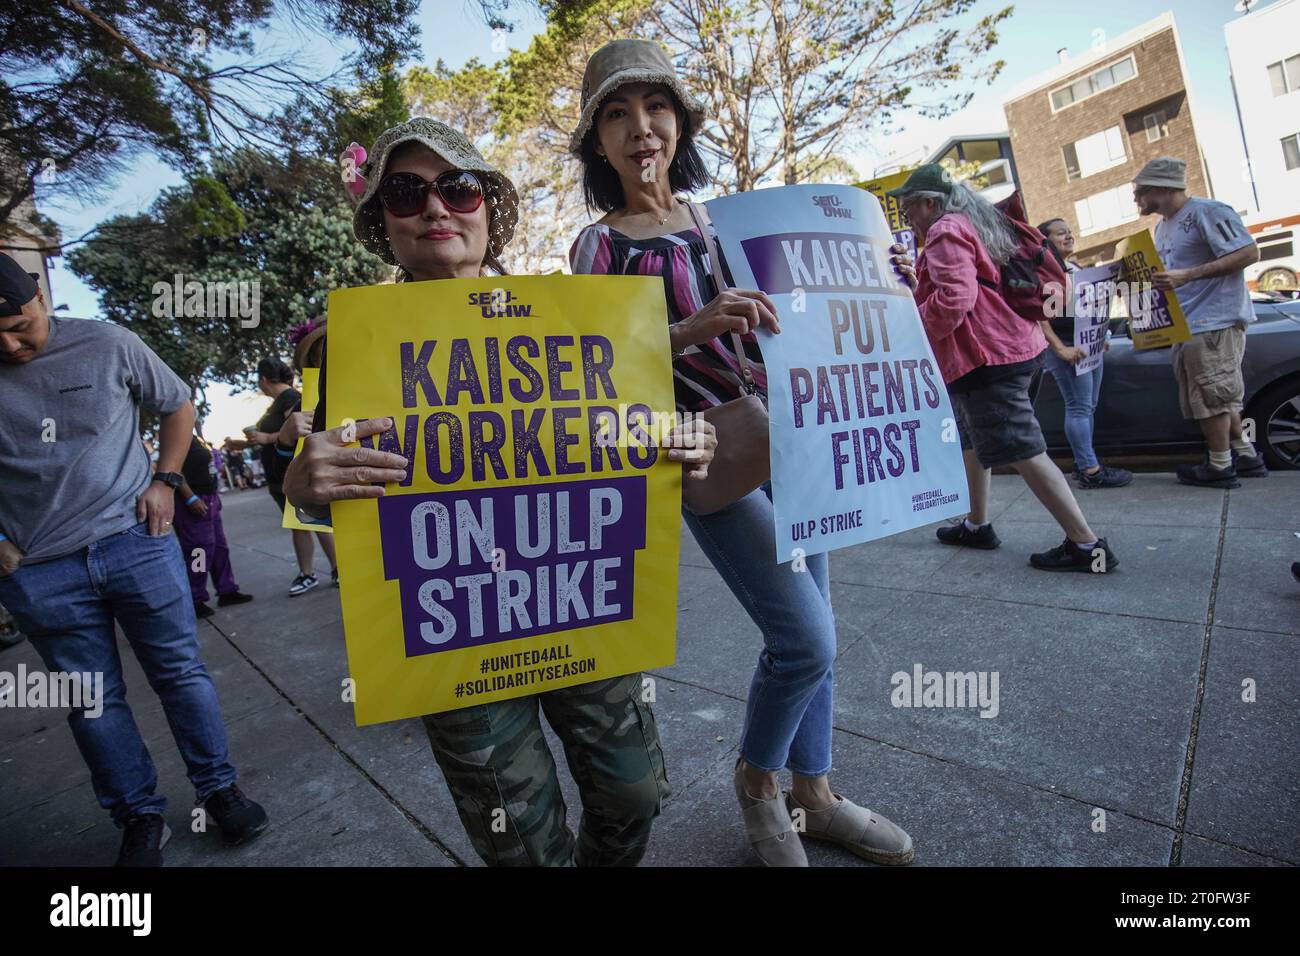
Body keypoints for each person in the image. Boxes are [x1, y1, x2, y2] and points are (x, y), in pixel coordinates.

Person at [283, 117, 716, 867]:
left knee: (637, 793)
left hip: (582, 605)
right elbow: (326, 493)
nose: (435, 208)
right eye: (405, 192)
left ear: (490, 208)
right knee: (515, 837)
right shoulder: (343, 343)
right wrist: (302, 481)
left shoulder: (586, 319)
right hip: (451, 631)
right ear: (382, 222)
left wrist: (688, 441)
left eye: (458, 188)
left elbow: (646, 437)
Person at [568, 38, 916, 867]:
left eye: (654, 108)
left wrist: (879, 276)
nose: (640, 128)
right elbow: (587, 368)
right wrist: (687, 329)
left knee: (817, 625)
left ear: (680, 122)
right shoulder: (599, 246)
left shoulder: (735, 219)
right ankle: (759, 785)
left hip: (800, 435)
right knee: (807, 640)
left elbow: (811, 313)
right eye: (616, 114)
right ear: (598, 142)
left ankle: (816, 795)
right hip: (704, 455)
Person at [0, 252, 267, 866]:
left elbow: (176, 405)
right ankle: (139, 816)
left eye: (20, 327)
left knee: (180, 673)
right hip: (40, 571)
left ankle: (220, 791)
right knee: (92, 700)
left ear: (39, 293)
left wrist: (166, 481)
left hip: (134, 541)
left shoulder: (108, 343)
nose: (10, 347)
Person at [888, 164, 1119, 572]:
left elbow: (955, 300)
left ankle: (1087, 546)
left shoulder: (944, 230)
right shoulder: (977, 223)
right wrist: (916, 279)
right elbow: (968, 286)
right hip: (1017, 348)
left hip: (986, 358)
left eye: (909, 211)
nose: (909, 221)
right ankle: (977, 525)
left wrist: (912, 330)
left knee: (1024, 449)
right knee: (975, 440)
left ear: (929, 202)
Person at [1132, 157, 1267, 486]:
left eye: (1140, 192)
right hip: (1186, 323)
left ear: (1163, 188)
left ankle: (1220, 466)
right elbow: (1172, 276)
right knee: (1210, 394)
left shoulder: (1209, 211)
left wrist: (1189, 275)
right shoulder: (1162, 226)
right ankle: (1246, 456)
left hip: (1214, 320)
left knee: (1213, 395)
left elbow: (1249, 252)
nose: (1136, 199)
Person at [1035, 217, 1131, 489]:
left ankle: (1085, 463)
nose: (1068, 236)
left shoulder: (1074, 268)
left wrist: (1102, 335)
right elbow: (1038, 317)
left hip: (1088, 346)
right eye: (1060, 233)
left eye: (1069, 232)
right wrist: (1060, 348)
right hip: (1068, 347)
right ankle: (1090, 470)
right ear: (1046, 240)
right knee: (1078, 406)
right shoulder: (1044, 272)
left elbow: (1089, 310)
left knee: (1087, 406)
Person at [238, 358, 338, 593]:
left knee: (314, 521)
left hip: (296, 471)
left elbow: (302, 429)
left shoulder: (291, 399)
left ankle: (327, 570)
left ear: (263, 380)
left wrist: (267, 438)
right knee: (299, 525)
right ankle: (311, 572)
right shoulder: (275, 405)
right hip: (279, 474)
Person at [171, 432, 254, 618]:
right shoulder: (176, 430)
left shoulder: (193, 435)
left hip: (208, 497)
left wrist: (214, 496)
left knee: (218, 548)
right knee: (198, 552)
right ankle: (195, 597)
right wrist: (190, 497)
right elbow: (172, 468)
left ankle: (227, 590)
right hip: (192, 501)